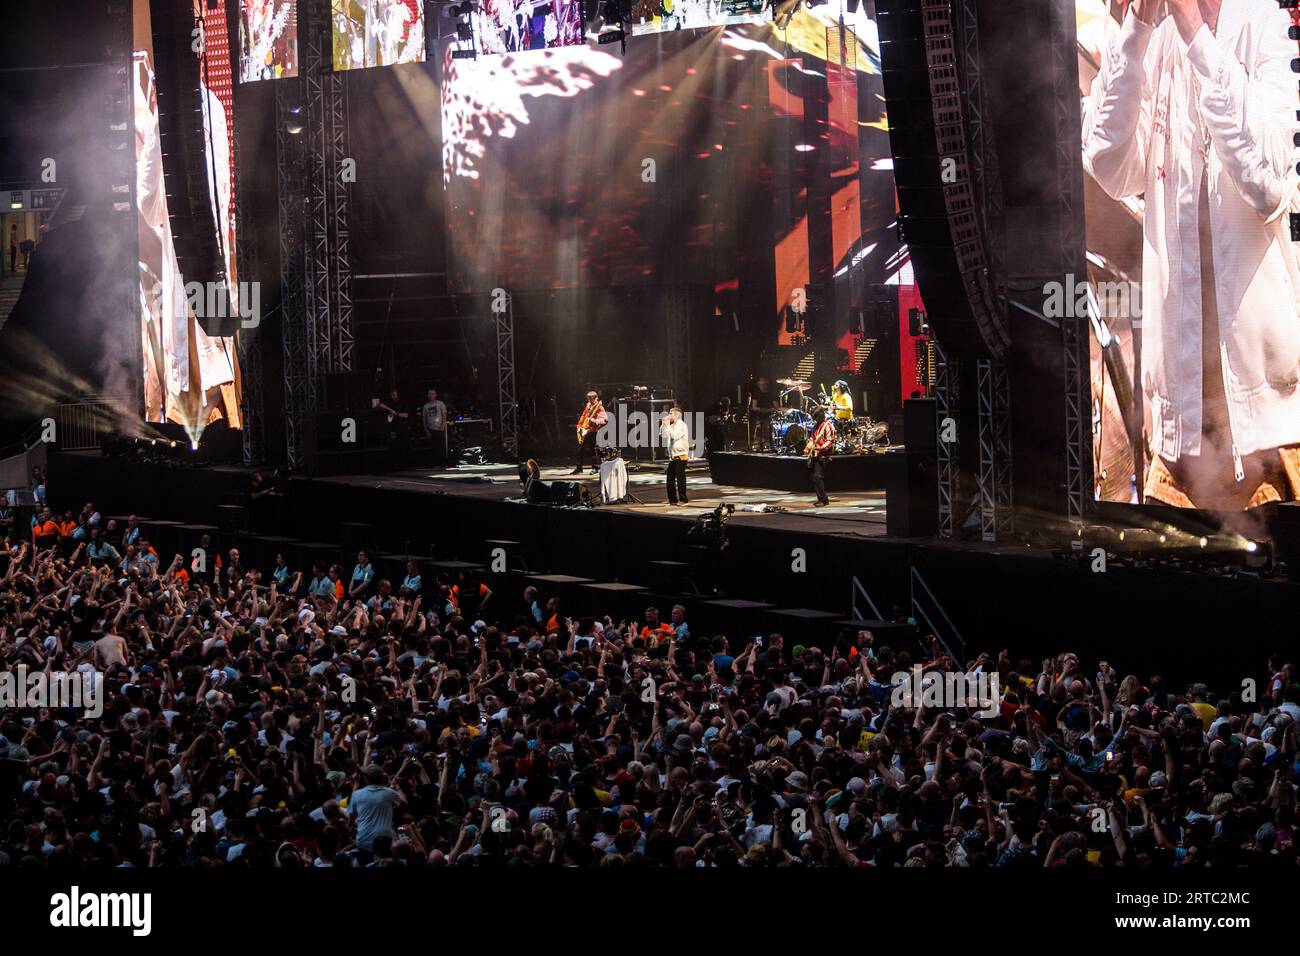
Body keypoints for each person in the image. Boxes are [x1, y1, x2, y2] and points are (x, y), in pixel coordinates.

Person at [1082, 0, 1300, 509]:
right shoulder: (1155, 45)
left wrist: (1195, 31)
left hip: (1268, 427)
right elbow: (1109, 165)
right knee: (1173, 584)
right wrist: (1135, 29)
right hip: (1180, 426)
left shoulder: (1265, 25)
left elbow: (1266, 183)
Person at [659, 406, 690, 506]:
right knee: (669, 479)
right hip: (673, 456)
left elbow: (674, 436)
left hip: (681, 455)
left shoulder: (681, 425)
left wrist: (667, 425)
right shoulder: (671, 425)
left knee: (680, 478)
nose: (668, 415)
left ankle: (683, 499)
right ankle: (672, 499)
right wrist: (664, 425)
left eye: (671, 413)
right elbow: (663, 435)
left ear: (677, 415)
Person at [572, 390, 607, 475]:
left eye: (591, 399)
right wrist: (579, 426)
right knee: (580, 450)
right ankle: (579, 468)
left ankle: (595, 468)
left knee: (593, 450)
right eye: (588, 399)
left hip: (593, 431)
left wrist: (594, 420)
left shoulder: (599, 407)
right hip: (585, 430)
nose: (590, 401)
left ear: (596, 398)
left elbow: (605, 420)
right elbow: (583, 416)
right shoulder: (588, 406)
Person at [806, 406, 834, 507]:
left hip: (824, 454)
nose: (814, 420)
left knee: (818, 476)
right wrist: (808, 447)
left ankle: (824, 499)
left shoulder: (827, 426)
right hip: (815, 454)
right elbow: (812, 439)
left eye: (816, 417)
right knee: (814, 477)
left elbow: (830, 441)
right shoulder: (815, 427)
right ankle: (820, 498)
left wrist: (820, 448)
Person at [749, 377, 778, 452]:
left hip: (769, 415)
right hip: (759, 415)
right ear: (759, 385)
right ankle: (757, 446)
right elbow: (754, 407)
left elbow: (776, 407)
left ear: (766, 385)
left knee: (767, 426)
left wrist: (768, 410)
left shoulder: (772, 393)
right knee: (759, 426)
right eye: (761, 385)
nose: (762, 386)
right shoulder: (756, 394)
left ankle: (767, 445)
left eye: (764, 384)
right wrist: (762, 410)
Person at [421, 388, 448, 465]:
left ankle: (442, 464)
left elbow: (444, 415)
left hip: (439, 428)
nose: (431, 395)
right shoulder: (425, 406)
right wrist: (426, 430)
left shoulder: (440, 403)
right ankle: (435, 464)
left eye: (433, 393)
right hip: (430, 429)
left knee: (441, 447)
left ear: (436, 395)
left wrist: (443, 426)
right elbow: (424, 418)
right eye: (429, 394)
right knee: (433, 448)